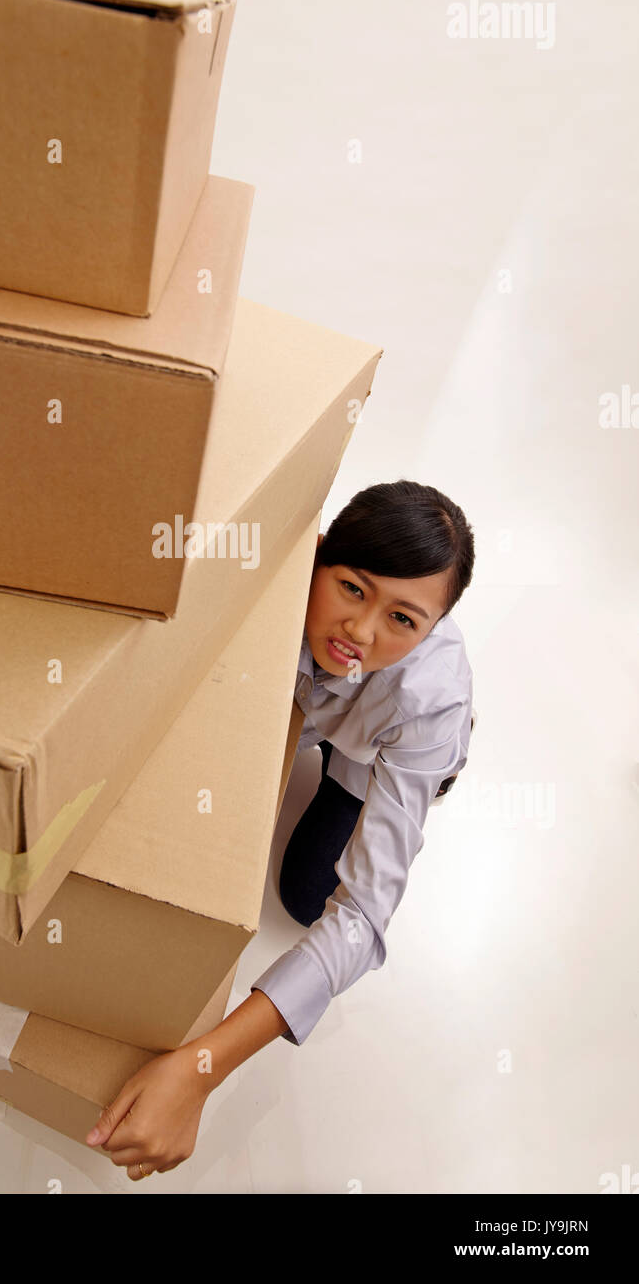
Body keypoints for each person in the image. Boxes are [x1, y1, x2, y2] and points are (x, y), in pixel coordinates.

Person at [84, 479, 475, 1180]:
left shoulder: (430, 703)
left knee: (303, 898)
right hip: (289, 702)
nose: (361, 632)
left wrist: (203, 1067)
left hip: (369, 753)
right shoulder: (271, 572)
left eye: (404, 620)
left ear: (434, 629)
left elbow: (361, 918)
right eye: (352, 588)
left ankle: (362, 766)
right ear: (319, 555)